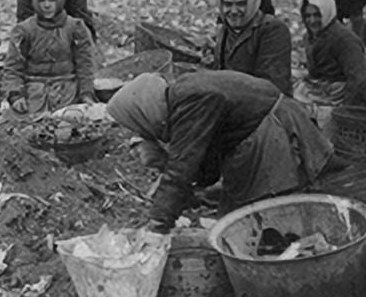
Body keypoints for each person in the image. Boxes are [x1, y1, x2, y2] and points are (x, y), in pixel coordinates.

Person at [106, 71, 335, 233]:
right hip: (259, 130)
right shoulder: (181, 95)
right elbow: (204, 161)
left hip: (270, 131)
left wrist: (158, 221)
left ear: (142, 112)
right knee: (234, 217)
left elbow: (183, 167)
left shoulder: (191, 101)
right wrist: (175, 179)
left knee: (259, 217)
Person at [4, 0, 96, 115]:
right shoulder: (24, 30)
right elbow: (14, 66)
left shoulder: (75, 28)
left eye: (51, 0)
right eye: (41, 0)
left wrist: (86, 93)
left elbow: (85, 64)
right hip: (33, 92)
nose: (46, 5)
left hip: (68, 91)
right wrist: (15, 95)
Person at [294, 0, 366, 134]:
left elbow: (358, 80)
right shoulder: (310, 37)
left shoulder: (345, 40)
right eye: (308, 16)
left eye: (317, 15)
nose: (312, 21)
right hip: (320, 89)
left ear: (327, 13)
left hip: (340, 95)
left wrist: (345, 111)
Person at [211, 0, 292, 95]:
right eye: (228, 4)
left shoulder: (272, 30)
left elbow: (273, 87)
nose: (233, 11)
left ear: (251, 3)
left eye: (240, 4)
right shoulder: (225, 31)